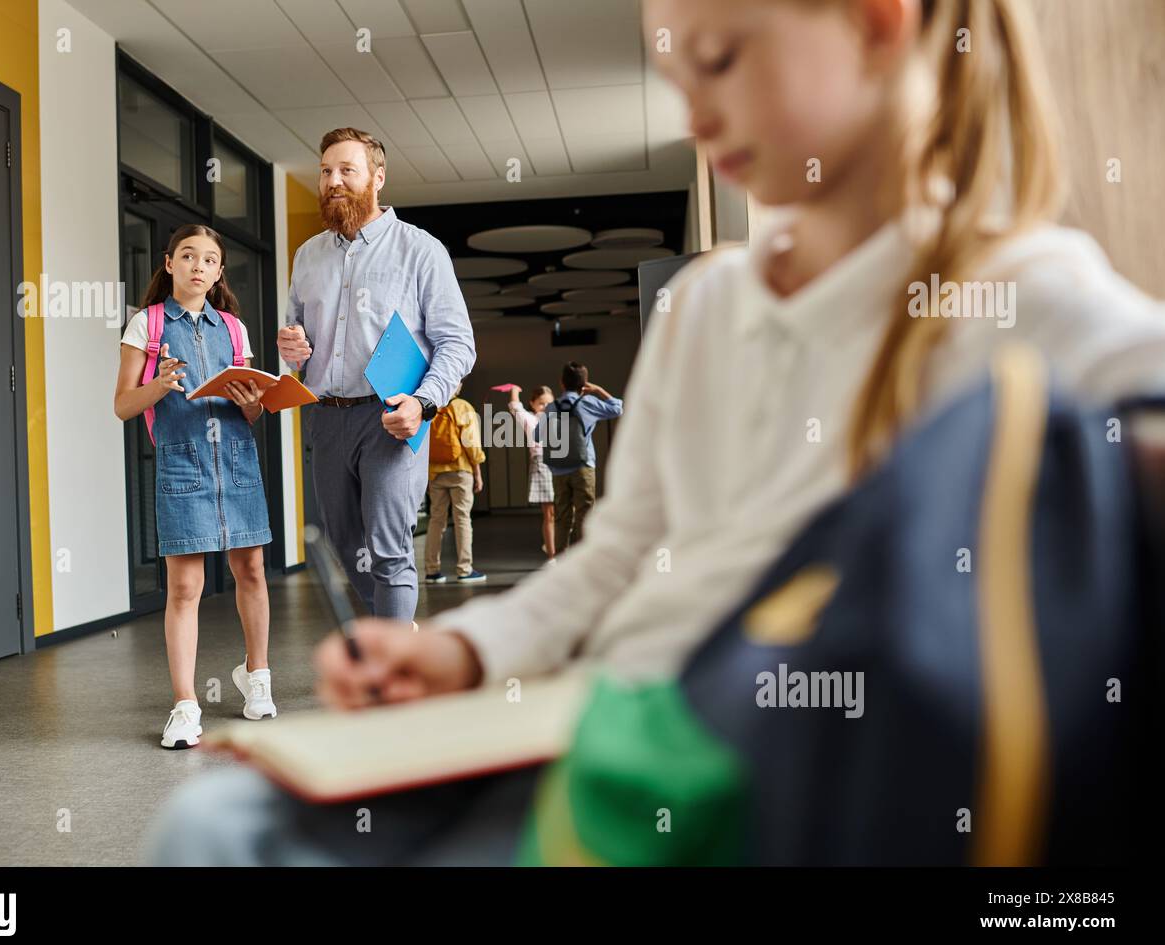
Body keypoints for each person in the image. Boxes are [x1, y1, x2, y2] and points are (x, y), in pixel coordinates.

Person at [148, 0, 1165, 861]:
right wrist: (464, 649)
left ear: (876, 24)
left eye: (719, 59)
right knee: (215, 817)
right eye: (676, 73)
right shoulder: (708, 304)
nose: (695, 108)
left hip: (758, 765)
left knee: (223, 832)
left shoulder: (1029, 296)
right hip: (610, 719)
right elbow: (622, 554)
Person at [276, 128, 475, 622]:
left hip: (392, 416)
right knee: (346, 544)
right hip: (325, 418)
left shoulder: (419, 250)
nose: (333, 181)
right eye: (325, 172)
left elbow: (458, 343)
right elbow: (295, 343)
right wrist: (291, 347)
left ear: (377, 178)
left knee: (388, 550)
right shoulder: (307, 256)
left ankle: (392, 669)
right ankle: (396, 635)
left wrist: (423, 404)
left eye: (347, 170)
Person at [114, 225, 278, 749]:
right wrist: (158, 386)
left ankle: (257, 679)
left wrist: (255, 399)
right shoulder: (148, 325)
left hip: (236, 461)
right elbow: (122, 406)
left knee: (250, 569)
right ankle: (185, 706)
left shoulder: (233, 328)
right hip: (182, 466)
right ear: (169, 263)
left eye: (209, 259)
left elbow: (249, 413)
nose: (198, 266)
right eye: (188, 256)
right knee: (185, 588)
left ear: (218, 271)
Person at [545, 362, 623, 552]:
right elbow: (618, 408)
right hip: (583, 466)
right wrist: (598, 390)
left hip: (558, 468)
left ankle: (561, 559)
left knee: (562, 517)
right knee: (585, 514)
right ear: (584, 384)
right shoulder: (587, 402)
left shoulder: (551, 407)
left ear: (561, 383)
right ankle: (581, 560)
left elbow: (537, 435)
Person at [424, 383, 487, 584]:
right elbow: (471, 443)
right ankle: (464, 569)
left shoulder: (431, 406)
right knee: (462, 519)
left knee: (436, 520)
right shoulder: (462, 407)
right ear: (458, 385)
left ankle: (432, 571)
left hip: (434, 472)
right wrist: (477, 472)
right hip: (460, 470)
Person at [507, 384, 557, 563]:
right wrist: (514, 391)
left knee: (563, 512)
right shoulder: (531, 420)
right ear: (533, 404)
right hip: (542, 464)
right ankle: (552, 556)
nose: (545, 407)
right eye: (541, 404)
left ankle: (551, 544)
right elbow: (515, 408)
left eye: (549, 404)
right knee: (549, 513)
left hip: (560, 465)